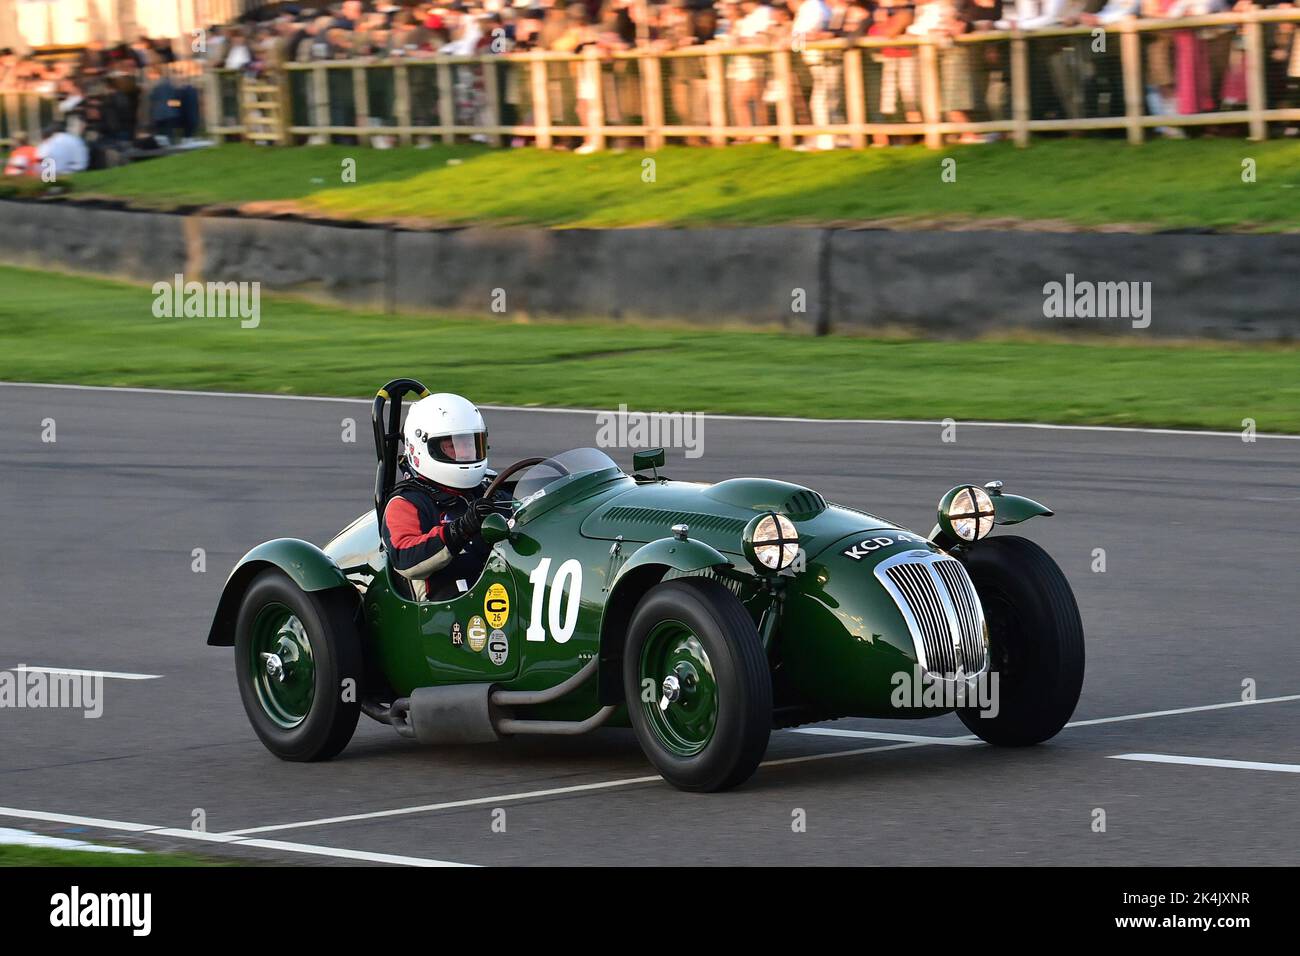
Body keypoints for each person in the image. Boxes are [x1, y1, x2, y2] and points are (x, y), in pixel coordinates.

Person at [380, 393, 510, 601]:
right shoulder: (406, 502)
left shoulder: (488, 489)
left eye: (470, 444)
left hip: (502, 589)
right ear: (421, 448)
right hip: (449, 607)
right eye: (453, 446)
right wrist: (461, 529)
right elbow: (405, 559)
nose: (465, 453)